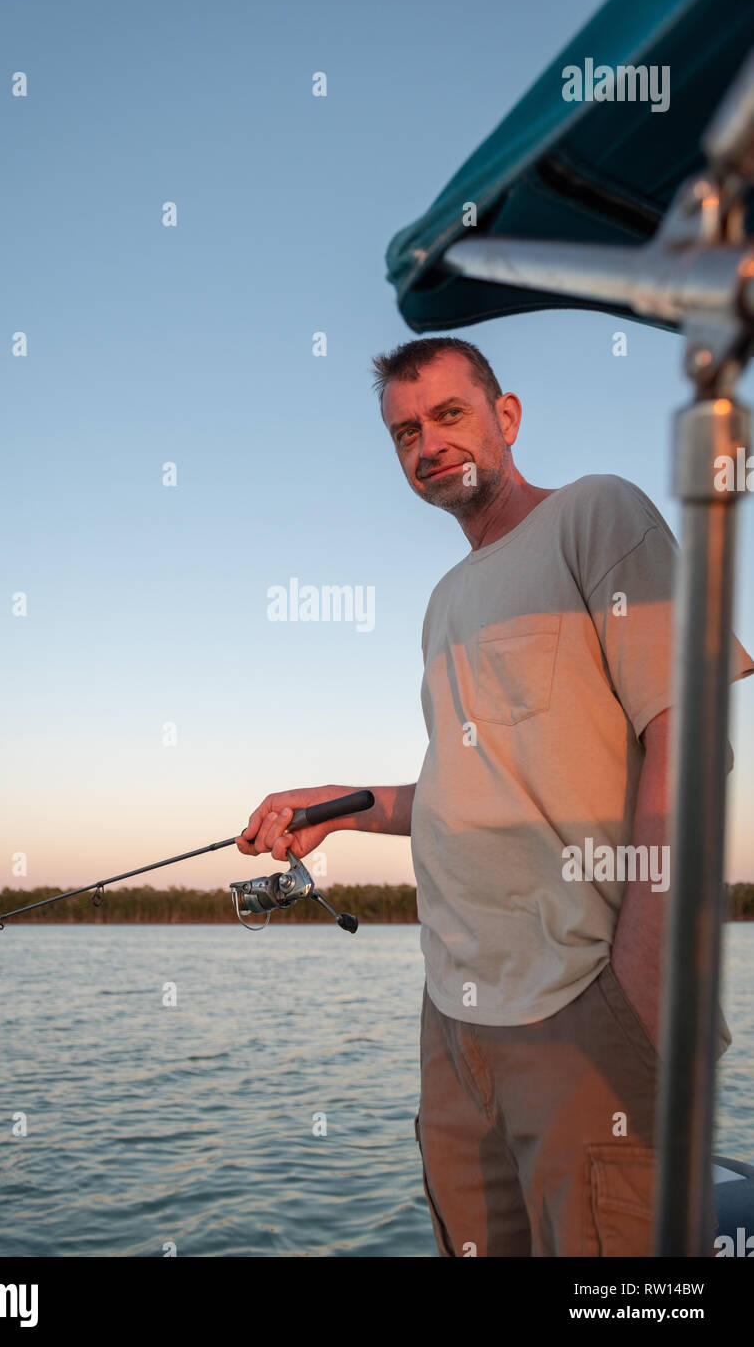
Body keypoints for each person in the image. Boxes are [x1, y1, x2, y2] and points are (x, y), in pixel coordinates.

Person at [236, 337, 754, 1257]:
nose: (425, 445)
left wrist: (639, 986)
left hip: (585, 1008)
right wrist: (336, 807)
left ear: (504, 418)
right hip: (455, 1028)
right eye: (403, 433)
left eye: (447, 415)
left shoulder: (596, 514)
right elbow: (462, 789)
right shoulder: (442, 603)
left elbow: (686, 733)